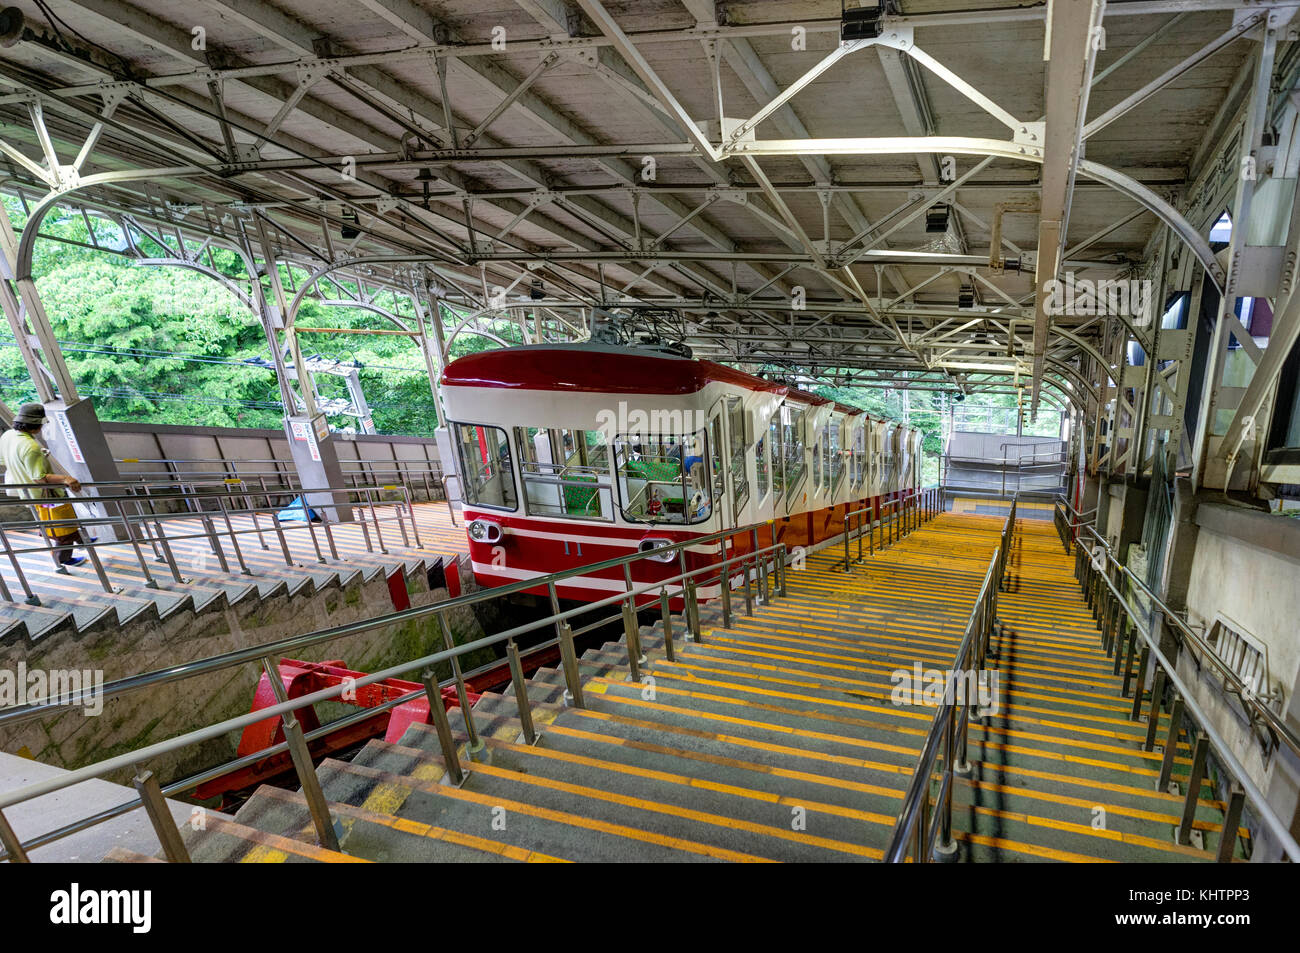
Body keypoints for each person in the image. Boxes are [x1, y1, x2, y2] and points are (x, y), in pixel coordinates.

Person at [1, 404, 88, 567]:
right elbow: (39, 478)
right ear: (37, 425)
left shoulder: (8, 436)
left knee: (53, 521)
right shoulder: (31, 447)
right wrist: (66, 478)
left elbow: (4, 460)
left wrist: (36, 459)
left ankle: (82, 539)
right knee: (61, 525)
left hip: (26, 492)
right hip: (43, 493)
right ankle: (64, 558)